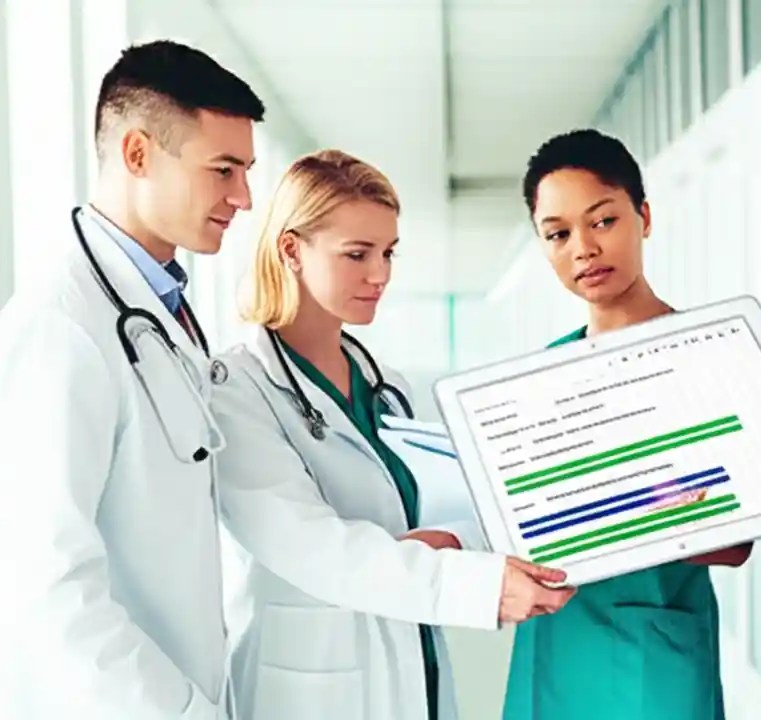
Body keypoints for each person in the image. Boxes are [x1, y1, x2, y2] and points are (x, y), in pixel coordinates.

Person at [209, 148, 576, 720]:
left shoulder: (386, 387)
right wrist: (467, 582)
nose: (379, 275)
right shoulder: (237, 391)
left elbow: (452, 506)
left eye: (387, 253)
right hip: (314, 689)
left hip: (413, 669)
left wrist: (449, 542)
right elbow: (312, 548)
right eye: (357, 254)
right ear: (291, 250)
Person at [0, 40, 263, 720]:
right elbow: (45, 582)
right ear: (136, 154)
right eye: (224, 170)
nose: (243, 197)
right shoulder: (59, 328)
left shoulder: (157, 311)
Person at [502, 129, 753, 720]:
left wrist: (642, 504)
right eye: (558, 234)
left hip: (653, 649)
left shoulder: (707, 355)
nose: (583, 249)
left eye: (603, 221)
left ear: (643, 216)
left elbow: (737, 543)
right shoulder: (546, 371)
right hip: (555, 640)